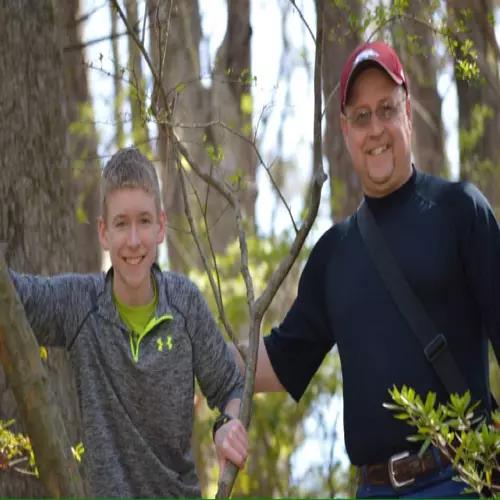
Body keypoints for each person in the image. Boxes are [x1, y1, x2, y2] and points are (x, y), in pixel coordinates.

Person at [231, 41, 500, 498]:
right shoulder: (335, 254)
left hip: (461, 481)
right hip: (373, 490)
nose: (375, 129)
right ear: (345, 130)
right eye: (361, 116)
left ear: (408, 112)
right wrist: (189, 351)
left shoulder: (460, 211)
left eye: (386, 109)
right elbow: (276, 364)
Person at [6, 147, 249, 498]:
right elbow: (14, 297)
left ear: (161, 226)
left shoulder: (184, 302)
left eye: (144, 221)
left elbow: (230, 387)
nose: (133, 240)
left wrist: (227, 426)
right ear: (104, 232)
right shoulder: (80, 305)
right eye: (121, 223)